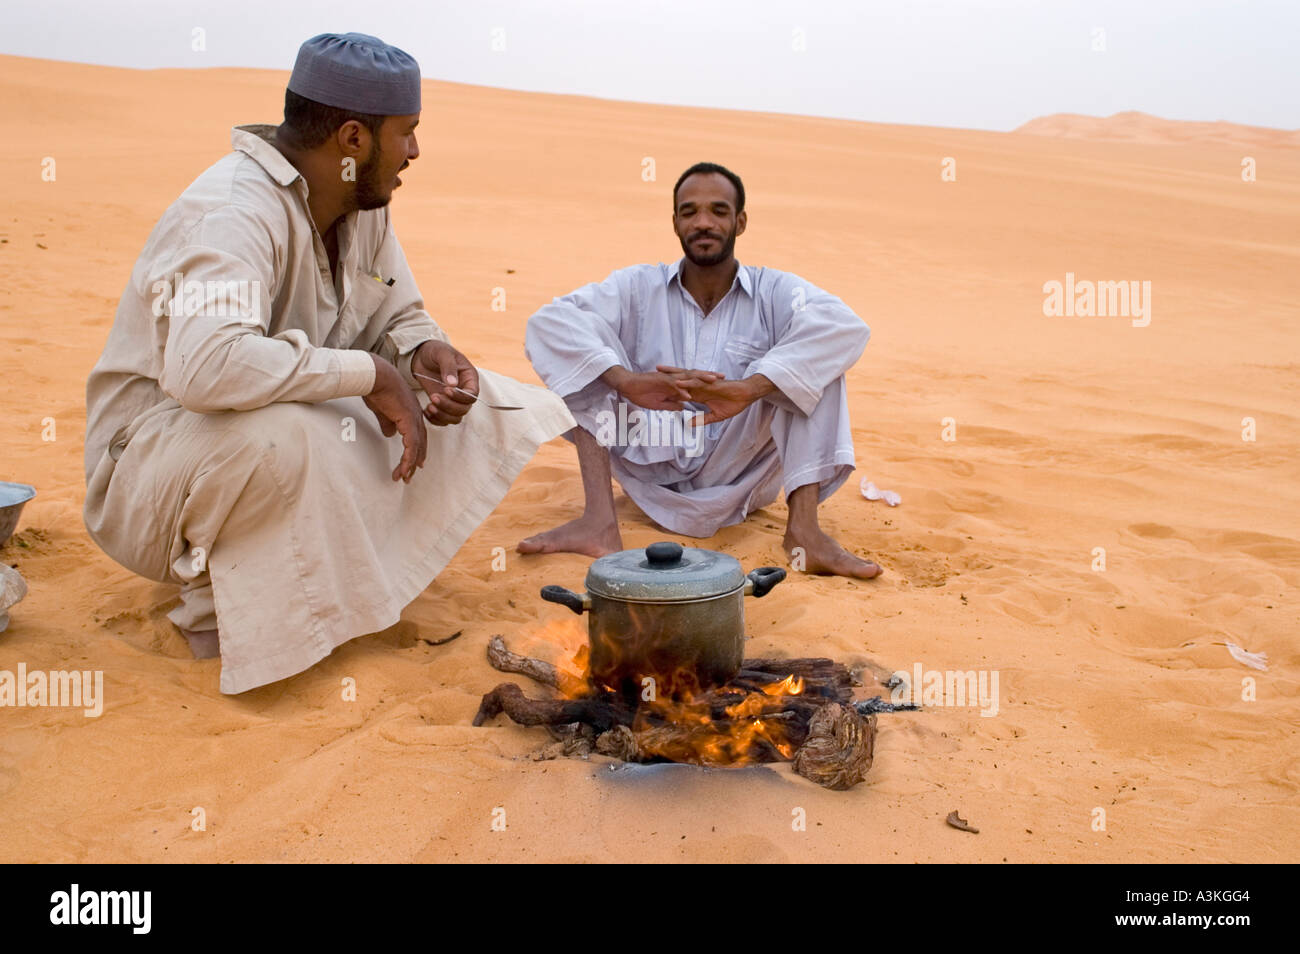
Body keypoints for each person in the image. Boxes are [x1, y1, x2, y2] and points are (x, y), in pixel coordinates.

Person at [83, 33, 574, 694]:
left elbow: (398, 314)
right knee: (287, 438)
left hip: (259, 423)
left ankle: (347, 592)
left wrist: (421, 353)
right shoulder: (229, 214)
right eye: (407, 133)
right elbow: (206, 369)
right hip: (148, 473)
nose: (416, 151)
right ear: (352, 138)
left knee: (484, 404)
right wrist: (371, 375)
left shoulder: (359, 205)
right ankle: (215, 610)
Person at [519, 162, 880, 579]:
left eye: (718, 211)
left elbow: (847, 326)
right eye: (689, 212)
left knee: (814, 364)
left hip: (740, 465)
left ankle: (804, 531)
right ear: (674, 223)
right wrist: (625, 380)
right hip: (650, 451)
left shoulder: (774, 291)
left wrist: (753, 386)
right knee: (587, 349)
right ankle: (598, 521)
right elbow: (549, 322)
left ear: (740, 222)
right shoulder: (638, 287)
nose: (703, 223)